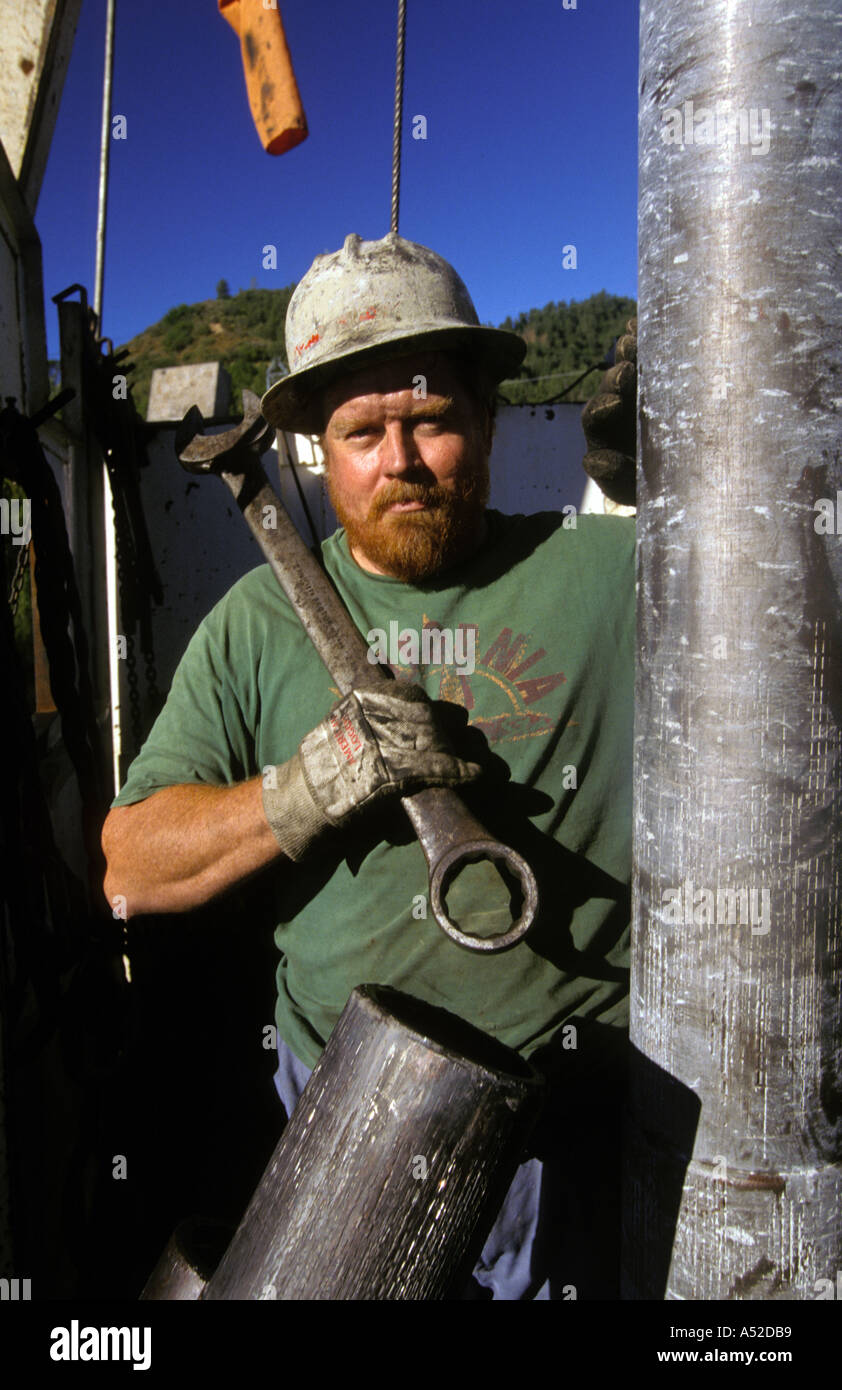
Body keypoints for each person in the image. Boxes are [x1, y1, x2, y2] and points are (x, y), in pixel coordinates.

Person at [101, 232, 637, 1299]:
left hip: (582, 1117)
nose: (398, 459)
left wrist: (712, 467)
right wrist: (305, 790)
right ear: (313, 450)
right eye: (360, 432)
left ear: (485, 418)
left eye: (432, 418)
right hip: (347, 1116)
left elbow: (792, 597)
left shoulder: (616, 574)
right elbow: (130, 866)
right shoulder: (254, 623)